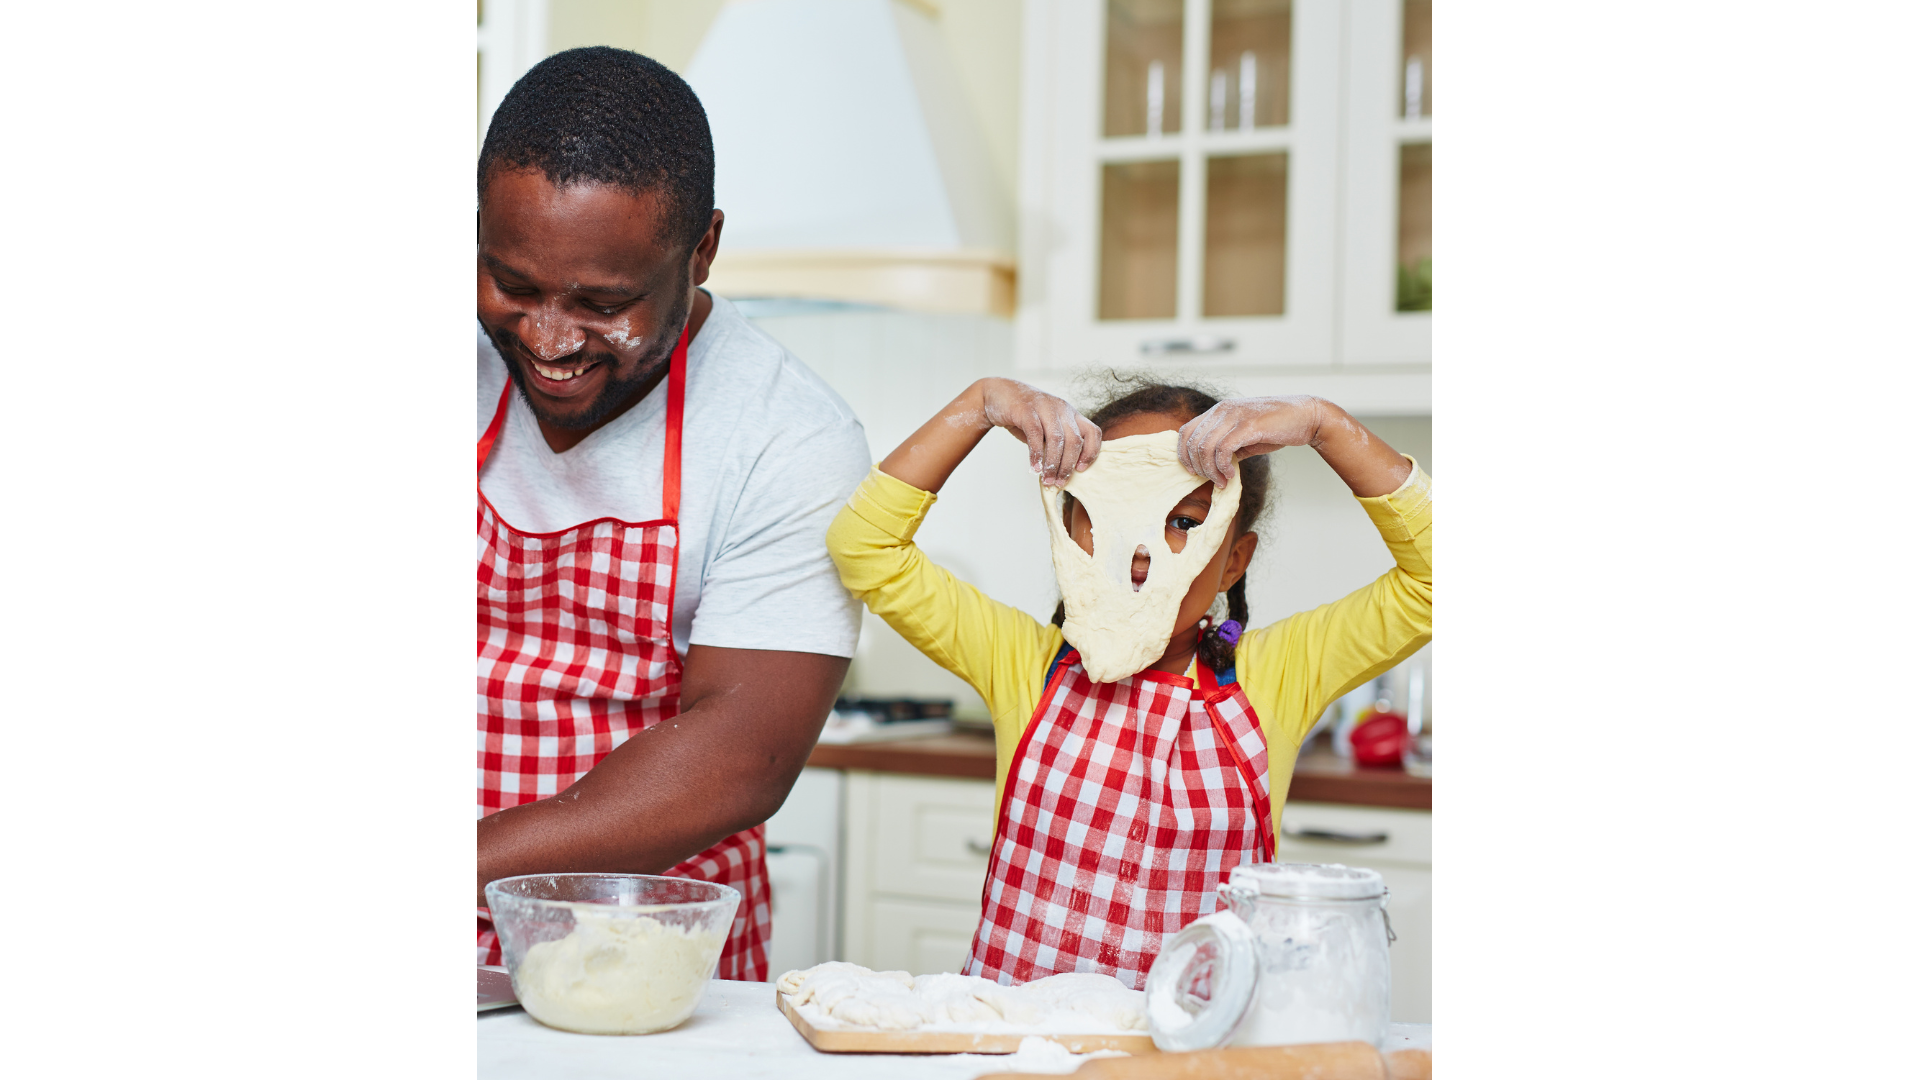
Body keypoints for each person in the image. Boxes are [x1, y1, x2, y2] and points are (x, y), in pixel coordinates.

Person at [826, 375, 1438, 988]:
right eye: (1108, 512)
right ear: (1066, 536)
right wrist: (980, 404)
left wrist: (1324, 423)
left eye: (1182, 519)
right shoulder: (1018, 662)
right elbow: (865, 547)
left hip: (1191, 1041)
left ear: (1233, 562)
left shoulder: (1278, 677)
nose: (1141, 549)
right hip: (1019, 1037)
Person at [475, 47, 870, 981]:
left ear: (701, 252)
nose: (550, 340)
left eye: (603, 303)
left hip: (638, 949)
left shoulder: (789, 434)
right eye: (513, 285)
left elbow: (740, 756)